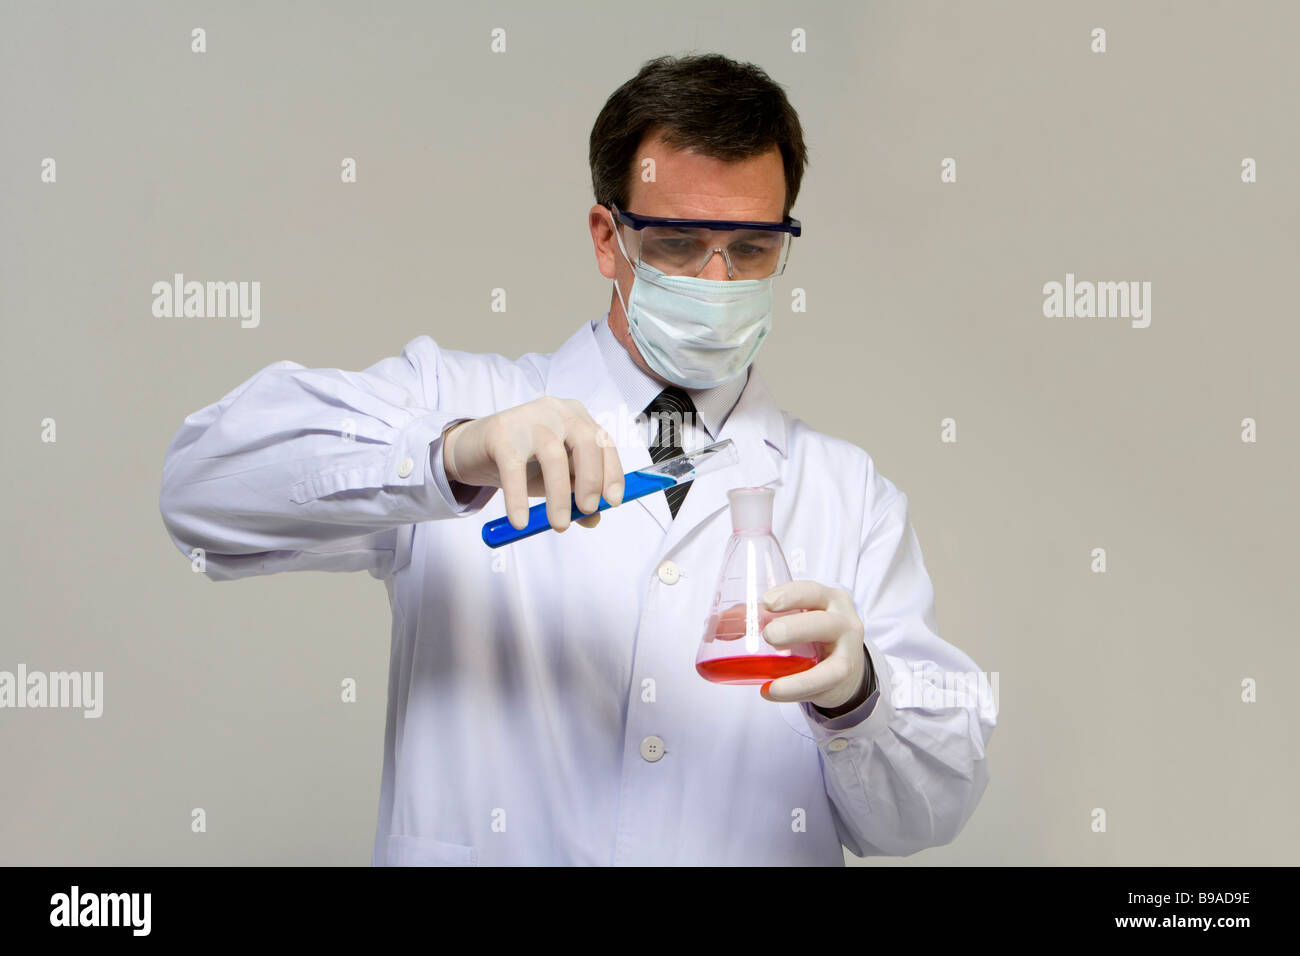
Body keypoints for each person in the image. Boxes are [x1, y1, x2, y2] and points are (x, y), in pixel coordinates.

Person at [159, 53, 997, 866]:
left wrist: (859, 702)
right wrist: (450, 452)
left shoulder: (847, 494)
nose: (716, 279)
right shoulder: (467, 400)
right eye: (676, 242)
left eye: (750, 248)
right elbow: (203, 488)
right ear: (609, 239)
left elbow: (922, 816)